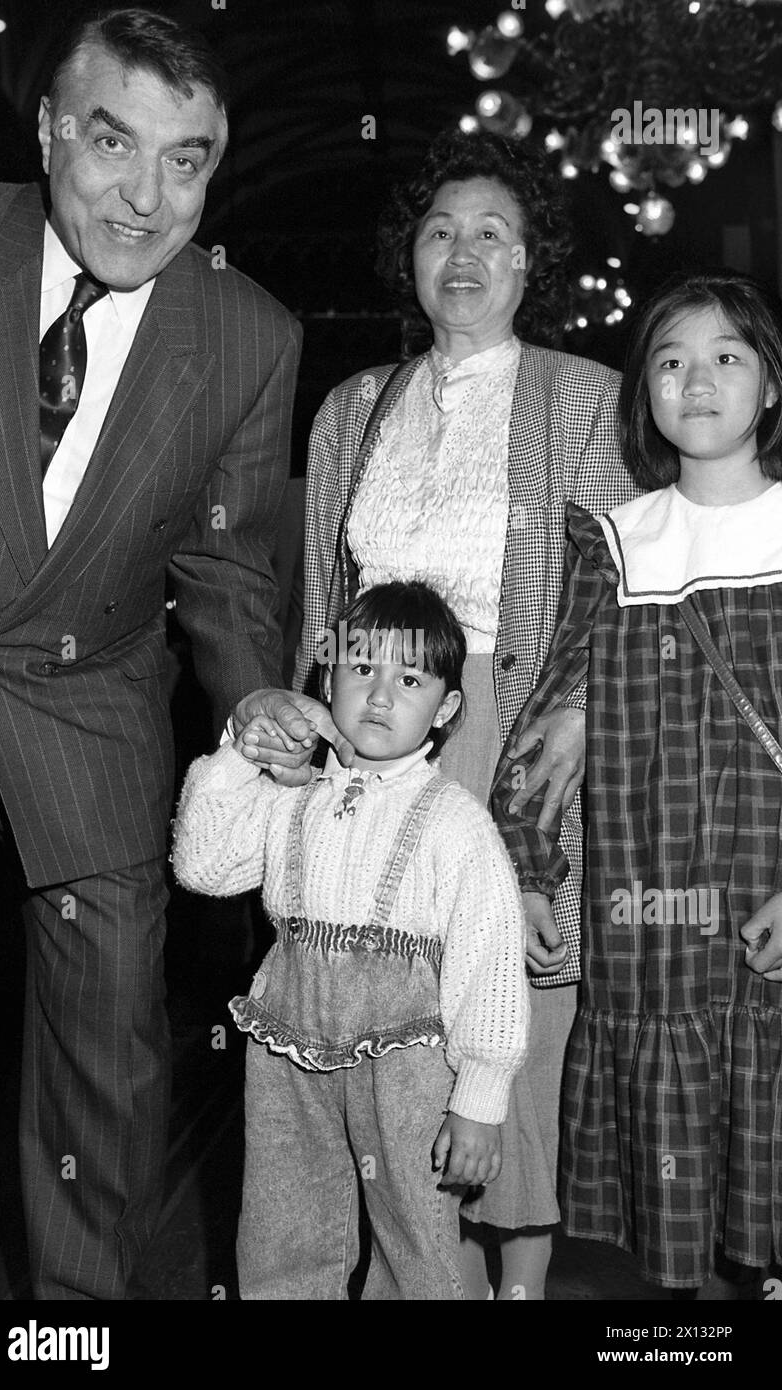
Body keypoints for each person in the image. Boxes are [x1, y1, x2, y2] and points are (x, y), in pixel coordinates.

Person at [235, 127, 638, 1299]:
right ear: (406, 255)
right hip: (376, 746)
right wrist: (303, 760)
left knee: (507, 1011)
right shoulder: (353, 407)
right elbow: (321, 606)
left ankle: (515, 1284)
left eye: (492, 234)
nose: (462, 254)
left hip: (519, 748)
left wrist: (578, 729)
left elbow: (626, 597)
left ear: (528, 264)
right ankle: (420, 1272)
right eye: (438, 230)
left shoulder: (583, 398)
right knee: (381, 1022)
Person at [0, 7, 302, 1299]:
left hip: (96, 703)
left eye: (188, 159)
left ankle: (81, 1322)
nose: (146, 195)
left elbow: (225, 561)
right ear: (50, 126)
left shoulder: (248, 336)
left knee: (105, 1063)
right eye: (113, 142)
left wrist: (254, 684)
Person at [492, 270, 782, 1294]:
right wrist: (526, 868)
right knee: (683, 1233)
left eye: (724, 358)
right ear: (641, 393)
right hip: (653, 930)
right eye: (668, 361)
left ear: (769, 384)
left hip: (767, 903)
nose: (694, 381)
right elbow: (543, 724)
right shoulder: (614, 543)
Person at [173, 580, 529, 1299]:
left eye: (410, 678)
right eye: (361, 668)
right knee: (281, 1224)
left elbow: (488, 963)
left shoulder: (454, 824)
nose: (380, 695)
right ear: (325, 677)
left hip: (405, 1068)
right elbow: (202, 866)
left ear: (447, 707)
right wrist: (244, 754)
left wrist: (479, 1098)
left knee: (414, 1238)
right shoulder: (289, 796)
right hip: (286, 1052)